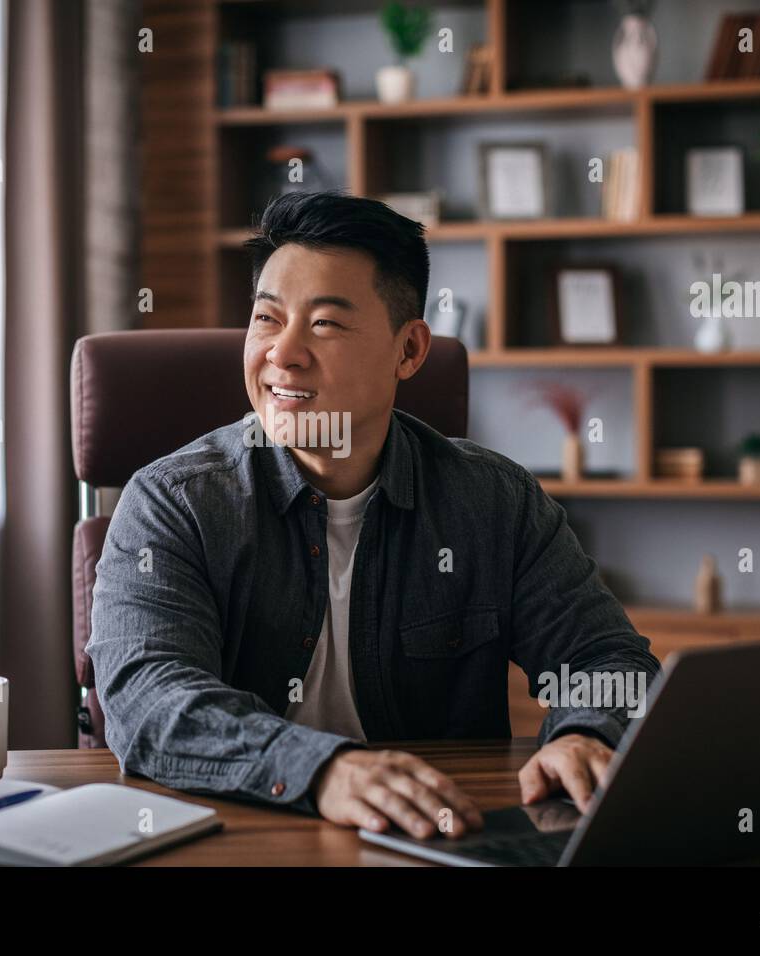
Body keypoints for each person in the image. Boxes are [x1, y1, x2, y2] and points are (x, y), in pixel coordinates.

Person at [88, 190, 660, 841]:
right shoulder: (175, 502)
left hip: (438, 835)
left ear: (409, 350)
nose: (284, 353)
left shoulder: (494, 502)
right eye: (267, 319)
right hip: (241, 836)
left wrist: (586, 731)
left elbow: (607, 658)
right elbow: (149, 700)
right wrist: (323, 770)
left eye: (326, 324)